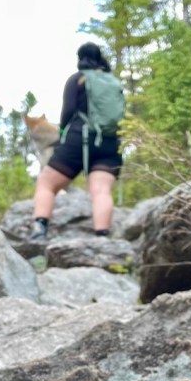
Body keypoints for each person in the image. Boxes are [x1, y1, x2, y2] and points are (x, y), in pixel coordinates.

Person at [30, 43, 124, 240]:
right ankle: (102, 238)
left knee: (46, 183)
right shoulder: (112, 81)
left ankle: (39, 230)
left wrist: (63, 132)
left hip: (79, 139)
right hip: (110, 142)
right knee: (101, 190)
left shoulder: (77, 79)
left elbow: (68, 112)